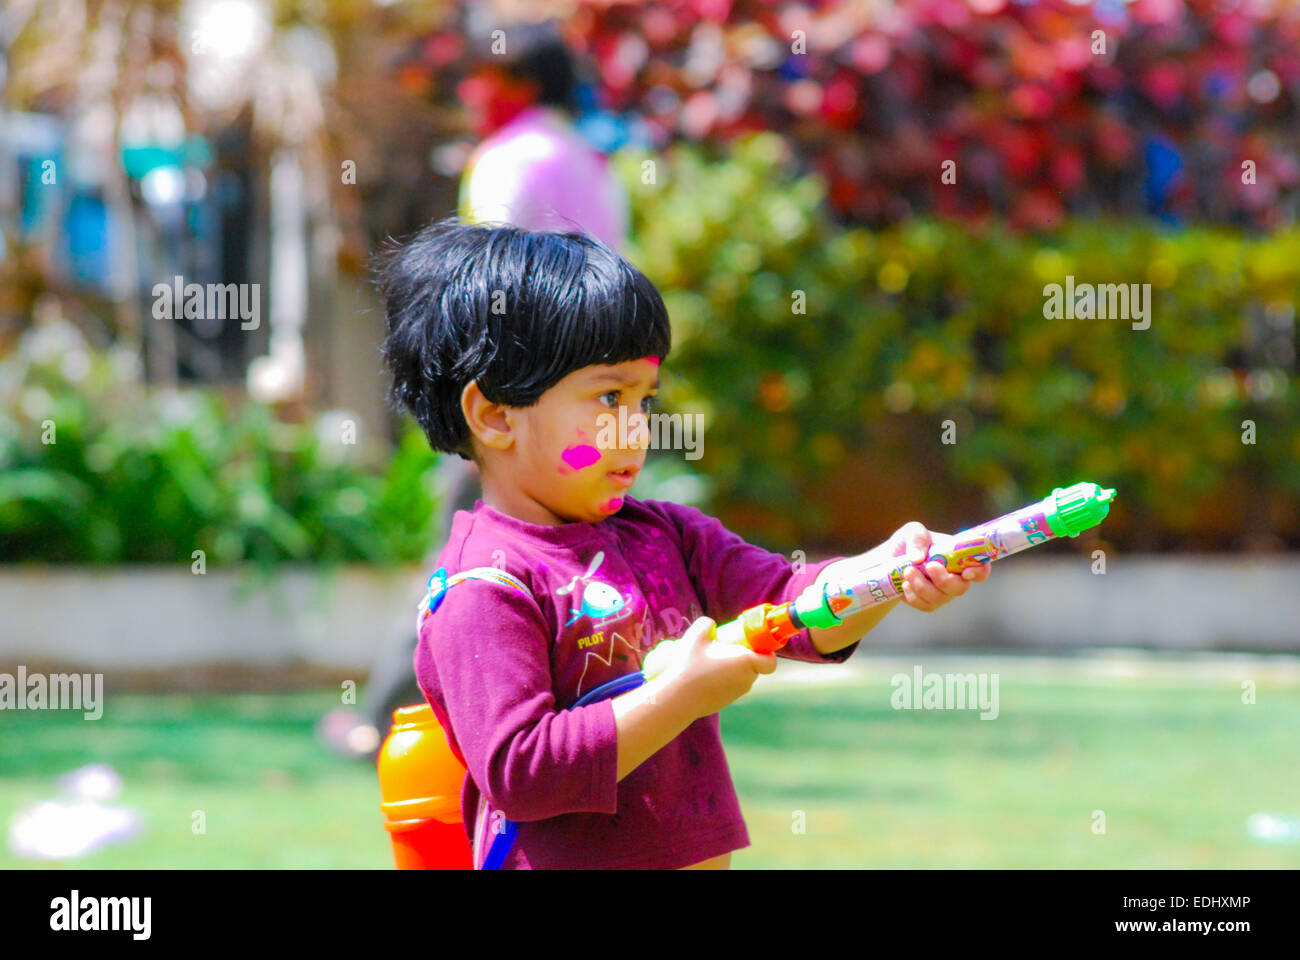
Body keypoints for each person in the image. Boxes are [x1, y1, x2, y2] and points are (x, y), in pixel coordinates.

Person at [372, 216, 991, 869]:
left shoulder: (666, 535)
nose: (636, 429)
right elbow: (525, 773)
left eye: (644, 400)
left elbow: (796, 608)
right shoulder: (487, 587)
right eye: (609, 397)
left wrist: (886, 572)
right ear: (496, 416)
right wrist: (682, 695)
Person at [316, 20, 628, 759]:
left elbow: (484, 284)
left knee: (462, 556)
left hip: (516, 393)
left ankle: (388, 723)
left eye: (486, 78)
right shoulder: (593, 162)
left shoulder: (510, 159)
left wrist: (466, 395)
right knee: (580, 558)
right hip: (598, 395)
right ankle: (592, 722)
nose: (473, 93)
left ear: (518, 86)